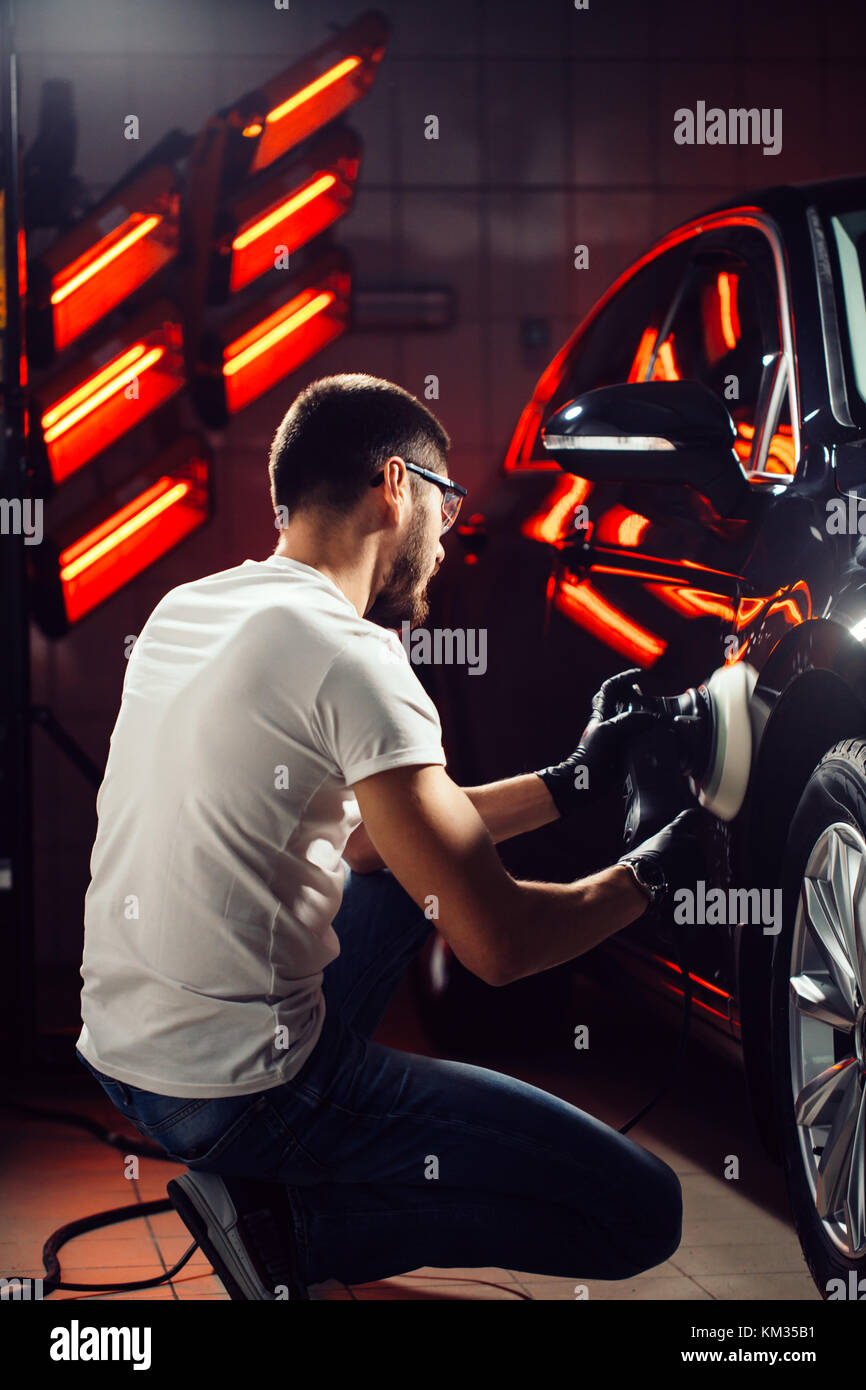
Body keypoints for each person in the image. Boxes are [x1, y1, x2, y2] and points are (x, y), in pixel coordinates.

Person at [74, 372, 702, 1301]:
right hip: (241, 1091)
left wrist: (573, 783)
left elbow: (381, 843)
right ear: (398, 486)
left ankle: (266, 1182)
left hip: (127, 1062)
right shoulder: (357, 658)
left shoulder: (191, 608)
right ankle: (295, 1229)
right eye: (445, 504)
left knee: (397, 875)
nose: (446, 540)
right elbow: (500, 945)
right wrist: (652, 876)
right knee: (642, 1212)